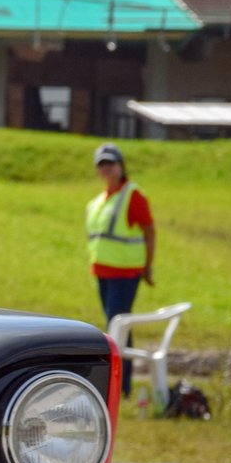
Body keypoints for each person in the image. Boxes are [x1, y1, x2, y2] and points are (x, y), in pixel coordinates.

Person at [86, 142, 156, 332]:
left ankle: (122, 363)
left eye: (111, 163)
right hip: (103, 271)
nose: (106, 168)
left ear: (121, 165)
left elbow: (149, 231)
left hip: (124, 273)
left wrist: (148, 266)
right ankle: (124, 363)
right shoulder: (99, 201)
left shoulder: (132, 195)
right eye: (102, 164)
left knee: (116, 328)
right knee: (117, 328)